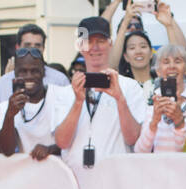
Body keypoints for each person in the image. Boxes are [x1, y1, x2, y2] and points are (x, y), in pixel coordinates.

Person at [50, 16, 149, 168]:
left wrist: (119, 99)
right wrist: (78, 102)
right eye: (89, 41)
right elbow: (62, 142)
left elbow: (133, 139)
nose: (95, 48)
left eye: (101, 41)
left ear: (110, 44)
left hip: (116, 178)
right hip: (77, 181)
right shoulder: (65, 92)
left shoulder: (130, 87)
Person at [0, 24, 71, 116]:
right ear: (17, 47)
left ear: (43, 48)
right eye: (27, 45)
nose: (32, 50)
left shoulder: (59, 80)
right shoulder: (4, 82)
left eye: (37, 46)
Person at [0, 49, 60, 159]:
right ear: (15, 73)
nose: (29, 76)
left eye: (35, 71)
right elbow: (7, 150)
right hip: (26, 174)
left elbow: (75, 140)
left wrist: (50, 149)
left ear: (44, 72)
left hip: (58, 172)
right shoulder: (5, 107)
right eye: (23, 71)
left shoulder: (60, 96)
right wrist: (9, 115)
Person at [134, 44, 186, 152]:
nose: (172, 66)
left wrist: (179, 123)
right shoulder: (152, 102)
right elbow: (140, 151)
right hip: (157, 168)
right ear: (158, 71)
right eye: (166, 62)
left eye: (177, 61)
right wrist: (154, 122)